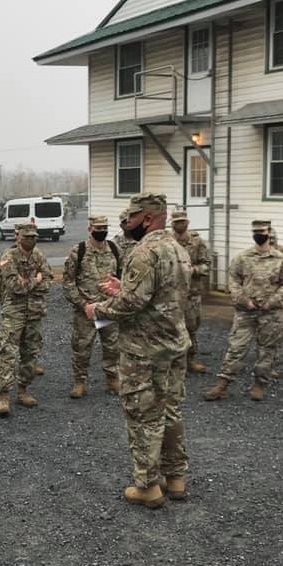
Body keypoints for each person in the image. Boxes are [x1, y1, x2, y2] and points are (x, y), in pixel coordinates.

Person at [86, 193, 192, 508]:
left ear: (146, 218)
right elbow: (162, 295)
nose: (125, 224)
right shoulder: (177, 249)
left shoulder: (144, 252)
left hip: (145, 351)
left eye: (130, 218)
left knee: (143, 413)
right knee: (171, 411)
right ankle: (176, 479)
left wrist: (98, 309)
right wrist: (125, 287)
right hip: (174, 346)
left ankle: (147, 485)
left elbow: (131, 304)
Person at [204, 220, 283, 403]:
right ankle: (223, 384)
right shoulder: (243, 257)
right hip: (246, 312)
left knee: (267, 350)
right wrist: (244, 300)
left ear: (269, 232)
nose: (258, 234)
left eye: (261, 231)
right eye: (255, 231)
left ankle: (260, 384)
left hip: (270, 313)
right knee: (236, 347)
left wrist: (273, 301)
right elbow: (233, 281)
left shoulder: (280, 258)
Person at [0, 223, 52, 417]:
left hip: (35, 312)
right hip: (14, 312)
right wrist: (36, 280)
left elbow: (48, 283)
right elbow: (15, 288)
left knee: (30, 352)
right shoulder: (8, 257)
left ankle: (23, 390)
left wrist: (32, 283)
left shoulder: (39, 255)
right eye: (27, 237)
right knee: (7, 352)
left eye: (34, 237)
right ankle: (3, 396)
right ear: (19, 238)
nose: (31, 240)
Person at [62, 215, 121, 398]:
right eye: (98, 228)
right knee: (82, 347)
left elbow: (121, 277)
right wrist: (82, 304)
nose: (101, 231)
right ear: (90, 229)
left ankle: (112, 379)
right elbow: (68, 283)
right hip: (85, 311)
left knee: (112, 346)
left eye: (104, 228)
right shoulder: (78, 251)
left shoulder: (114, 249)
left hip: (108, 310)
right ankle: (80, 382)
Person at [170, 209, 211, 374]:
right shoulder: (167, 241)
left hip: (191, 294)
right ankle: (175, 363)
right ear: (172, 224)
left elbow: (207, 264)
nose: (180, 224)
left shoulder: (197, 242)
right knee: (171, 328)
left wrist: (192, 270)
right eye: (176, 222)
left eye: (182, 221)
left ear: (187, 222)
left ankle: (190, 360)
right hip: (170, 295)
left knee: (191, 327)